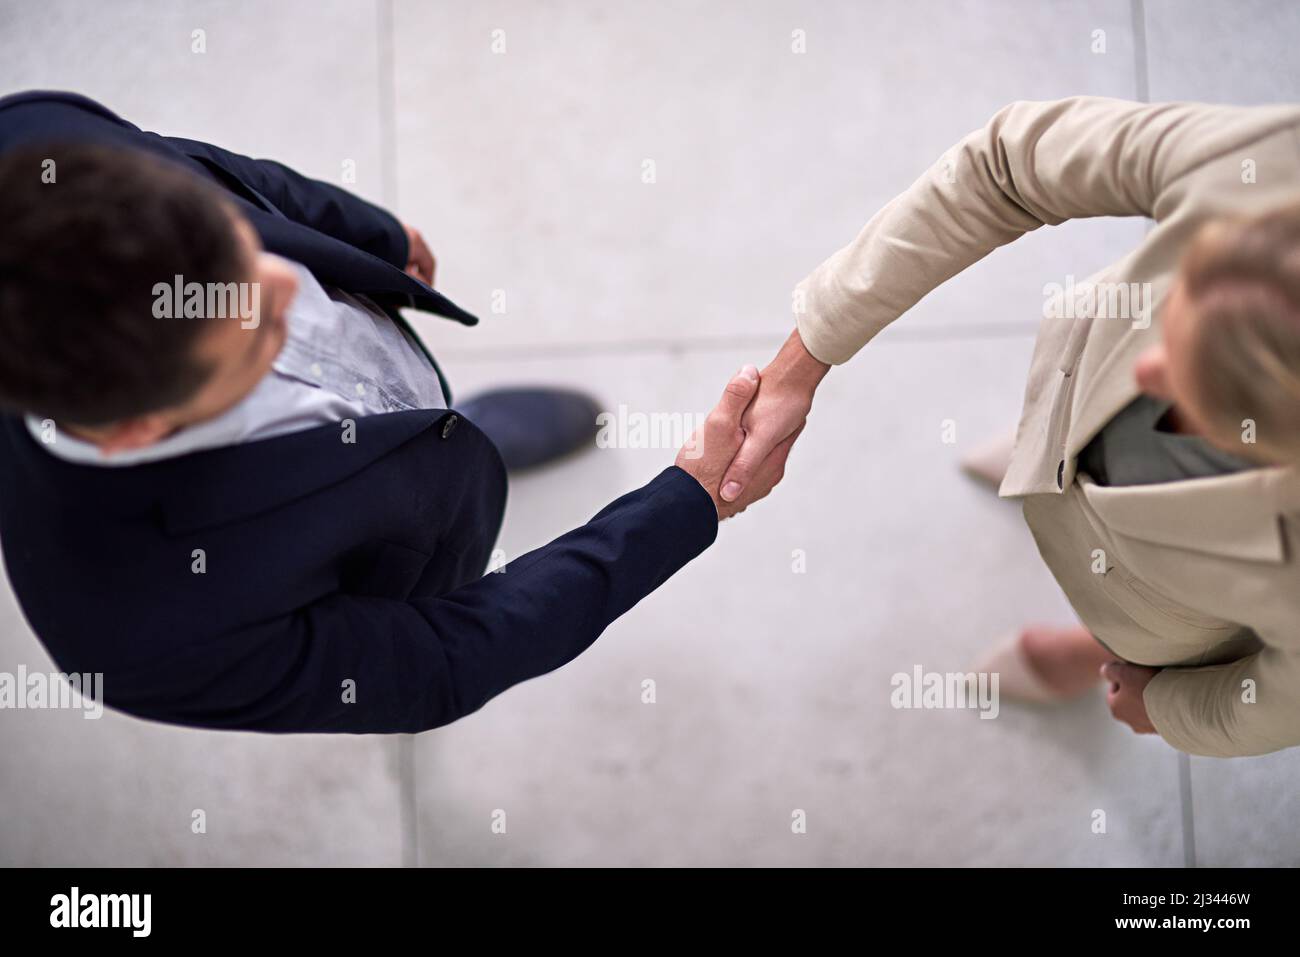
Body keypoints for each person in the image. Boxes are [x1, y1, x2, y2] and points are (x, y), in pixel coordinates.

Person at [0, 90, 794, 733]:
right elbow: (448, 656)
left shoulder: (36, 146)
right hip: (387, 564)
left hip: (380, 405)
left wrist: (371, 234)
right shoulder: (143, 637)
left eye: (242, 248)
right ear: (137, 429)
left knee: (447, 442)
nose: (290, 282)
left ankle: (451, 434)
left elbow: (227, 175)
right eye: (257, 333)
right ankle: (430, 466)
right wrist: (685, 502)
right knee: (419, 554)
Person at [723, 96, 1300, 758]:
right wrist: (804, 360)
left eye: (1201, 391)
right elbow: (1003, 169)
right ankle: (1054, 454)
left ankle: (1090, 653)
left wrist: (1165, 706)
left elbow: (1279, 703)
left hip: (1162, 605)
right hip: (1071, 391)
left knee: (1153, 615)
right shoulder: (1269, 166)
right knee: (1076, 417)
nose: (1145, 372)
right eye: (1176, 316)